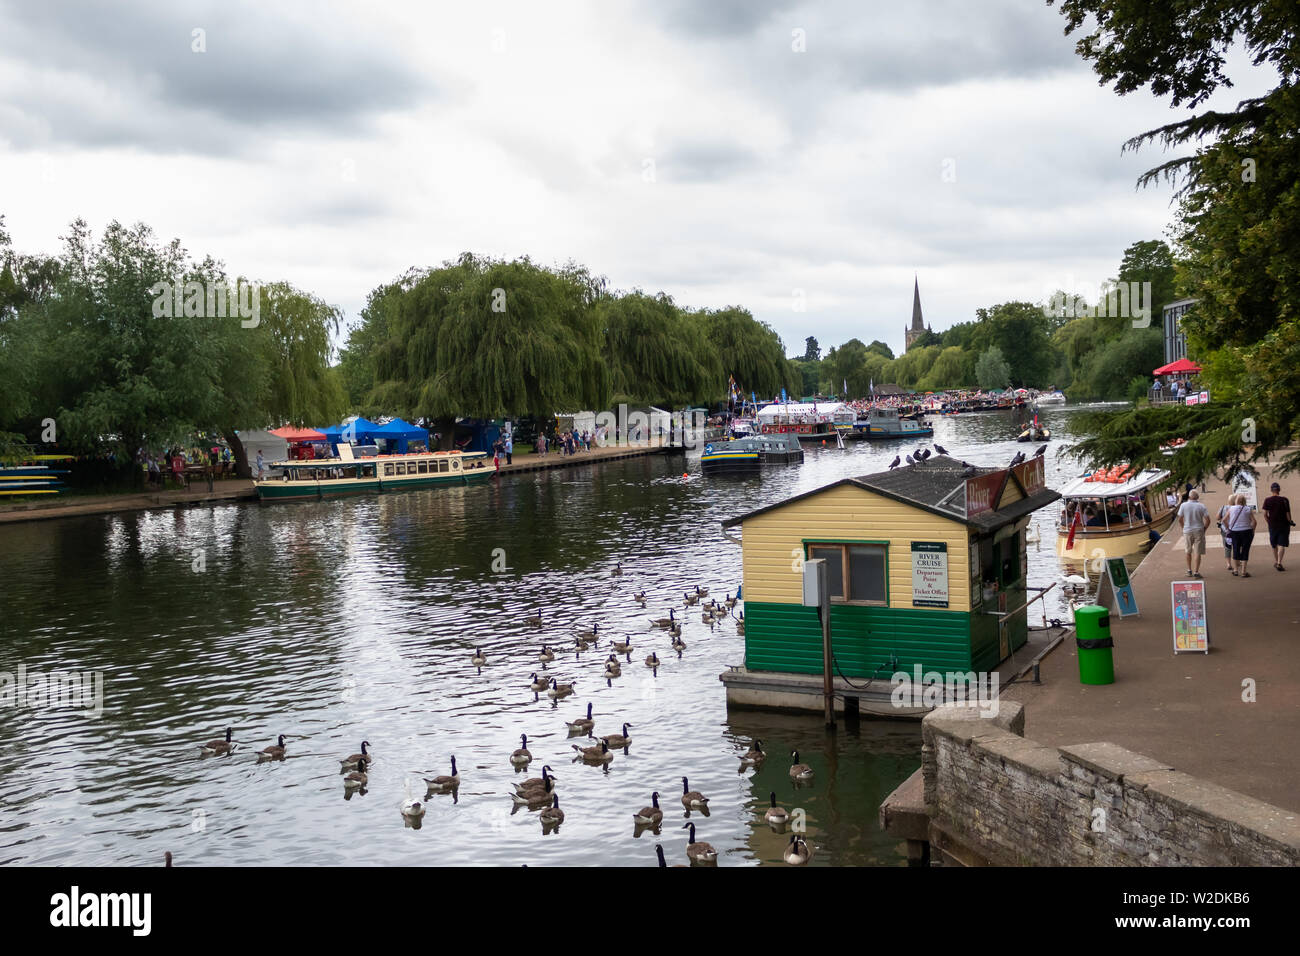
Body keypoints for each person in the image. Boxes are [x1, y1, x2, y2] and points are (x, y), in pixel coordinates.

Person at [1176, 489, 1211, 577]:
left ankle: (1189, 570)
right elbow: (1208, 520)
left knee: (1188, 551)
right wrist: (1204, 529)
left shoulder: (1183, 505)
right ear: (1198, 497)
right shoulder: (1201, 506)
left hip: (1187, 530)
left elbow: (1180, 519)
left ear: (1189, 496)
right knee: (1197, 552)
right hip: (1199, 530)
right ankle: (1196, 571)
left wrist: (1183, 527)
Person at [1224, 492, 1258, 577]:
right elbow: (1254, 521)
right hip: (1246, 531)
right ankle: (1243, 571)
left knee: (1235, 549)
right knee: (1245, 550)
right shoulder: (1247, 509)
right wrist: (1252, 530)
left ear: (1236, 501)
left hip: (1234, 532)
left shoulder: (1231, 508)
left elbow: (1224, 520)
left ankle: (1235, 570)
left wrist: (1229, 528)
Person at [1262, 481, 1293, 571]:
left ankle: (1276, 561)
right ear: (1279, 490)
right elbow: (1288, 513)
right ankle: (1279, 562)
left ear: (1271, 490)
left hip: (1273, 525)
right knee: (1282, 544)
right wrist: (1290, 521)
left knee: (1274, 544)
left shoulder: (1267, 500)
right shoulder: (1284, 500)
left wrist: (1269, 521)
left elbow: (1265, 514)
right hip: (1284, 525)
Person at [1215, 495, 1237, 572]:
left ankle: (1228, 564)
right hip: (1236, 530)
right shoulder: (1238, 508)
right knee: (1237, 546)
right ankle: (1237, 562)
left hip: (1225, 530)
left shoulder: (1223, 507)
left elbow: (1217, 517)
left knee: (1227, 546)